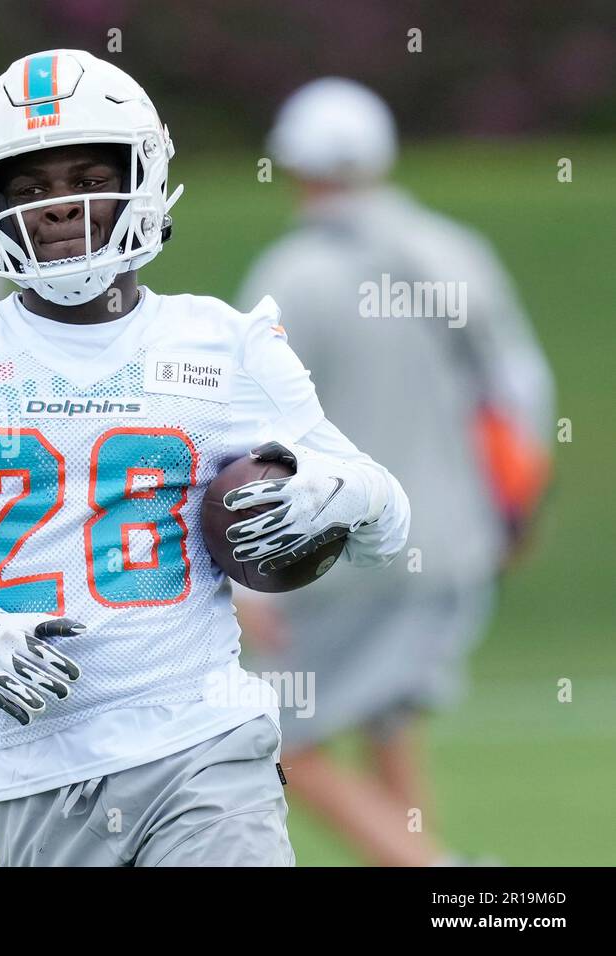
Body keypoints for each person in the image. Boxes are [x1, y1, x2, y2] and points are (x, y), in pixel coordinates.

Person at [0, 50, 411, 866]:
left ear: (143, 179)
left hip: (204, 739)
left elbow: (388, 519)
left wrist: (342, 493)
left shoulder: (225, 342)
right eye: (30, 187)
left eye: (88, 178)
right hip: (40, 769)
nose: (59, 206)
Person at [234, 77, 555, 866]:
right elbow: (520, 392)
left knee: (272, 742)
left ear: (294, 164)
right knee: (389, 722)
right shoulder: (456, 254)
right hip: (452, 545)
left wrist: (247, 582)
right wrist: (514, 512)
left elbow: (248, 432)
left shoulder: (292, 276)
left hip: (339, 560)